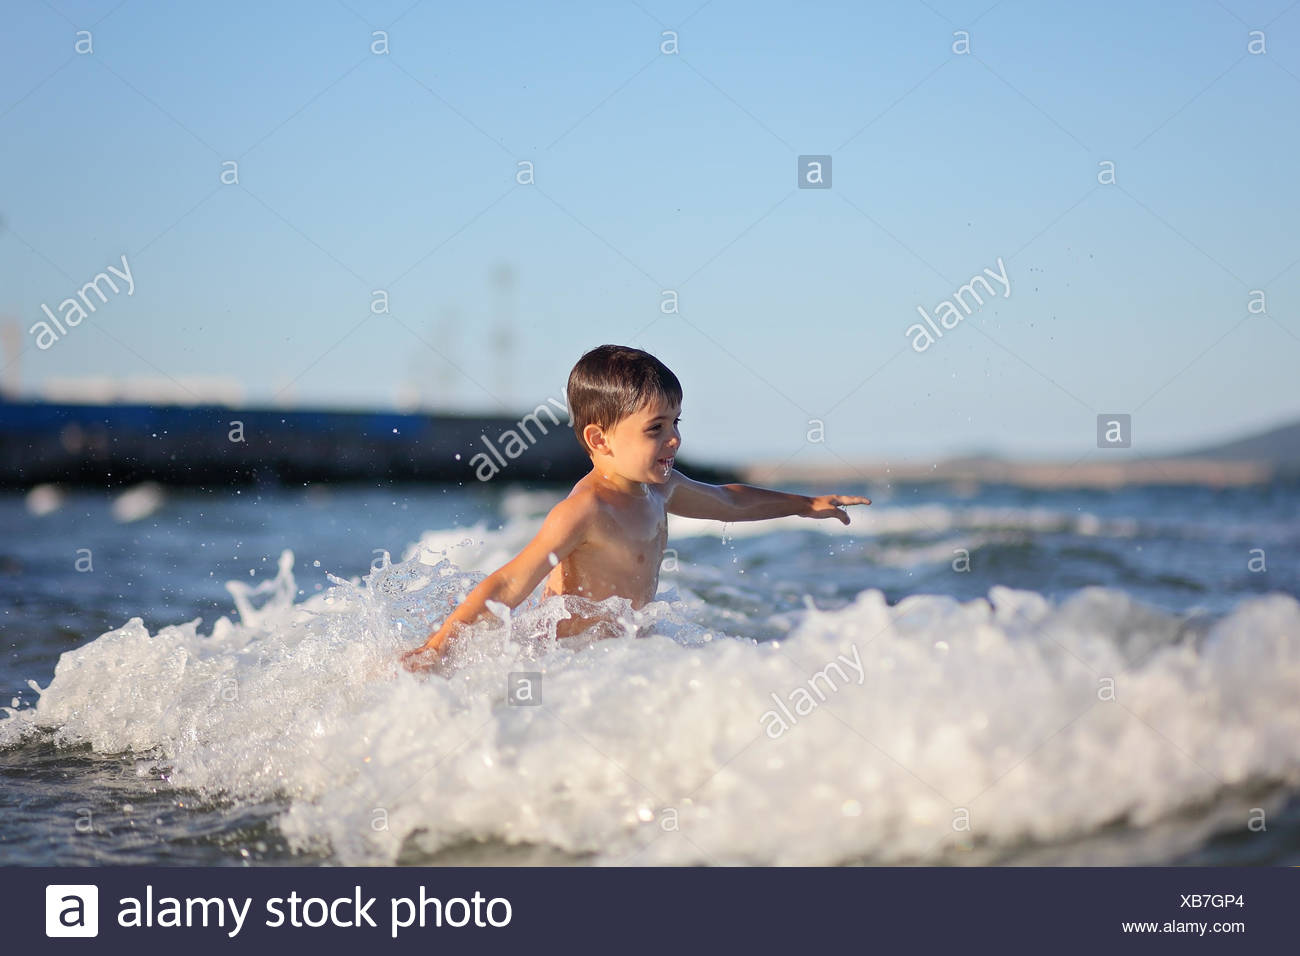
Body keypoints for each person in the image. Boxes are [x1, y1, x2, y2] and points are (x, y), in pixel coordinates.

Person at [399, 344, 870, 672]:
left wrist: (804, 504)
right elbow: (508, 582)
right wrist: (437, 648)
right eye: (656, 428)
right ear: (599, 438)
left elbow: (727, 501)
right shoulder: (585, 511)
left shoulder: (659, 489)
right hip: (568, 663)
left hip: (622, 659)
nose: (675, 439)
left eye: (676, 422)